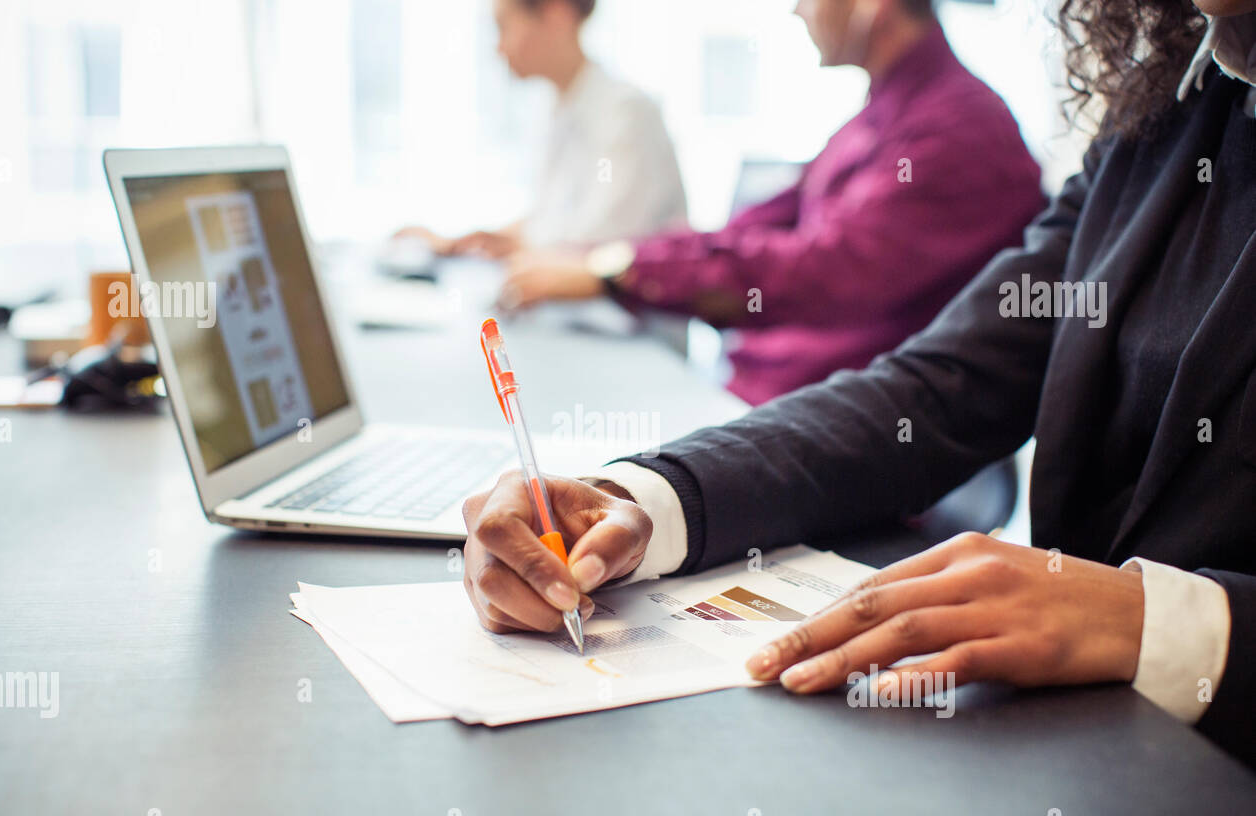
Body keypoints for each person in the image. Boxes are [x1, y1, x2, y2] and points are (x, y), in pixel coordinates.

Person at [460, 0, 1256, 769]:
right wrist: (642, 497)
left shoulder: (957, 127)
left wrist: (1166, 624)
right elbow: (938, 384)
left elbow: (826, 267)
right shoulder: (1163, 110)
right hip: (1084, 758)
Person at [499, 0, 1046, 404]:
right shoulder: (885, 115)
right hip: (768, 405)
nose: (794, 9)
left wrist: (616, 272)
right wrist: (612, 262)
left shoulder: (957, 131)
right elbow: (752, 230)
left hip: (839, 433)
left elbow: (821, 268)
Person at [397, 0, 687, 260]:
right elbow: (555, 219)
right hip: (571, 310)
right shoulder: (561, 107)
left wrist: (508, 248)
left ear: (556, 12)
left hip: (618, 317)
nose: (499, 47)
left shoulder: (624, 114)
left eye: (503, 26)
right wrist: (466, 244)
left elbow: (602, 237)